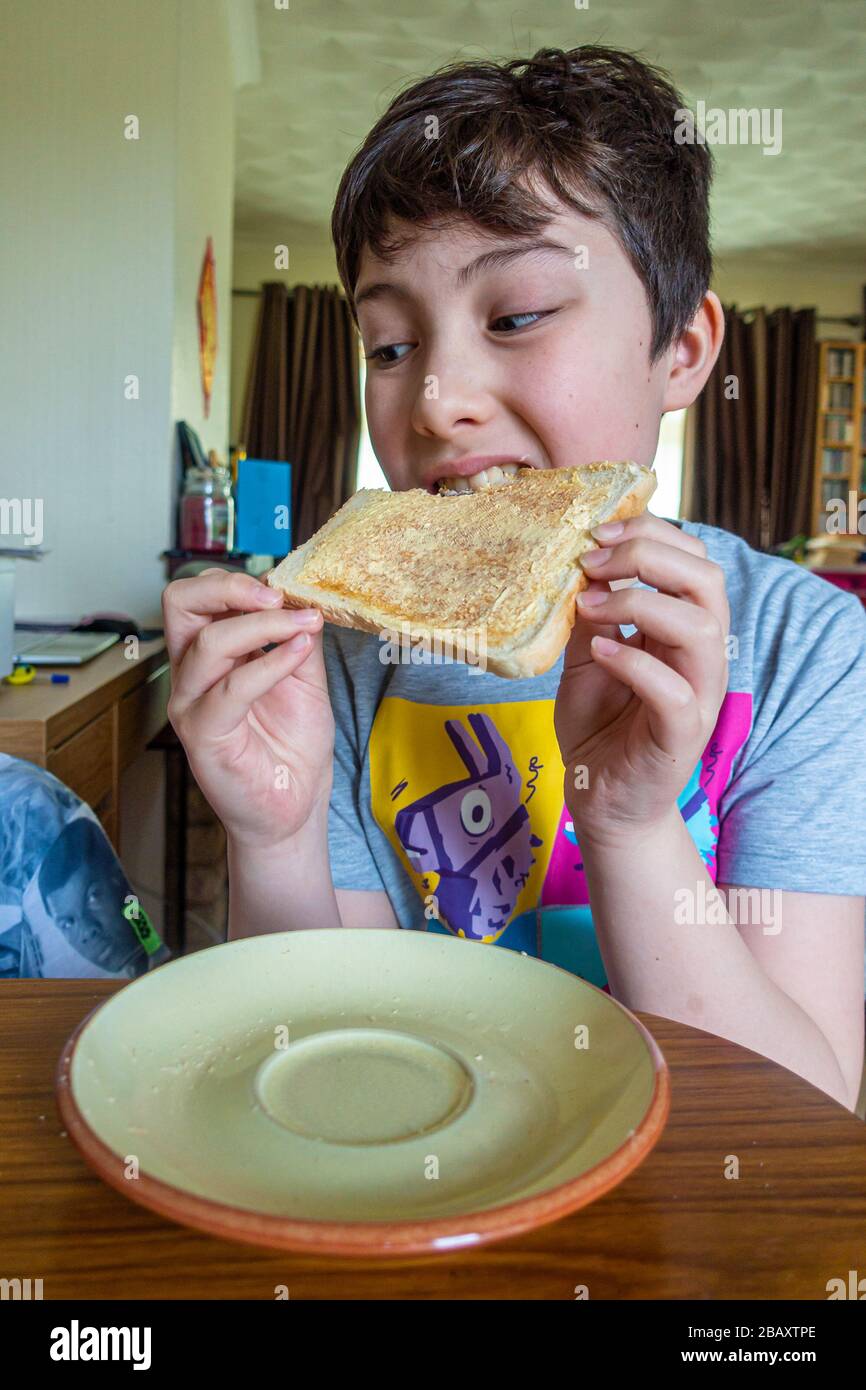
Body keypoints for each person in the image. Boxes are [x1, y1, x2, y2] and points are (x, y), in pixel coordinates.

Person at [162, 46, 866, 1111]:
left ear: (680, 347)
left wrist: (628, 823)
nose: (436, 399)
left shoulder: (801, 650)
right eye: (389, 345)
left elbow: (792, 1116)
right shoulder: (344, 663)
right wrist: (275, 835)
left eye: (517, 316)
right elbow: (319, 1066)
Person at [0, 753, 168, 978]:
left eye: (94, 896)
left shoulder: (26, 810)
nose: (87, 933)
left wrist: (146, 948)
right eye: (67, 922)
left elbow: (131, 908)